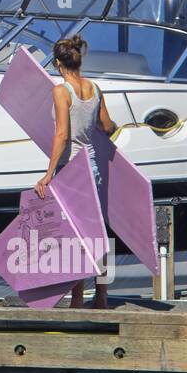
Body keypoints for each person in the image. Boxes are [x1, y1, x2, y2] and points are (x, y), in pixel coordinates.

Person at [33, 34, 117, 309]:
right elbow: (107, 126)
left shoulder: (61, 91)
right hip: (92, 166)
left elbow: (61, 134)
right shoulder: (94, 88)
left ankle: (78, 299)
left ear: (58, 63)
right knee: (97, 233)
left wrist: (48, 173)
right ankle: (102, 297)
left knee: (76, 236)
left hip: (72, 169)